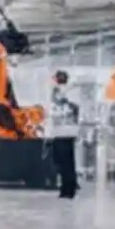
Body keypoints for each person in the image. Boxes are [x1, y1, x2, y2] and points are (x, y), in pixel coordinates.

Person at [46, 70, 80, 199]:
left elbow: (71, 108)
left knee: (63, 162)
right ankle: (68, 187)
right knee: (67, 162)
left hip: (62, 132)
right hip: (66, 132)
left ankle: (68, 188)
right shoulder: (65, 92)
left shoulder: (62, 92)